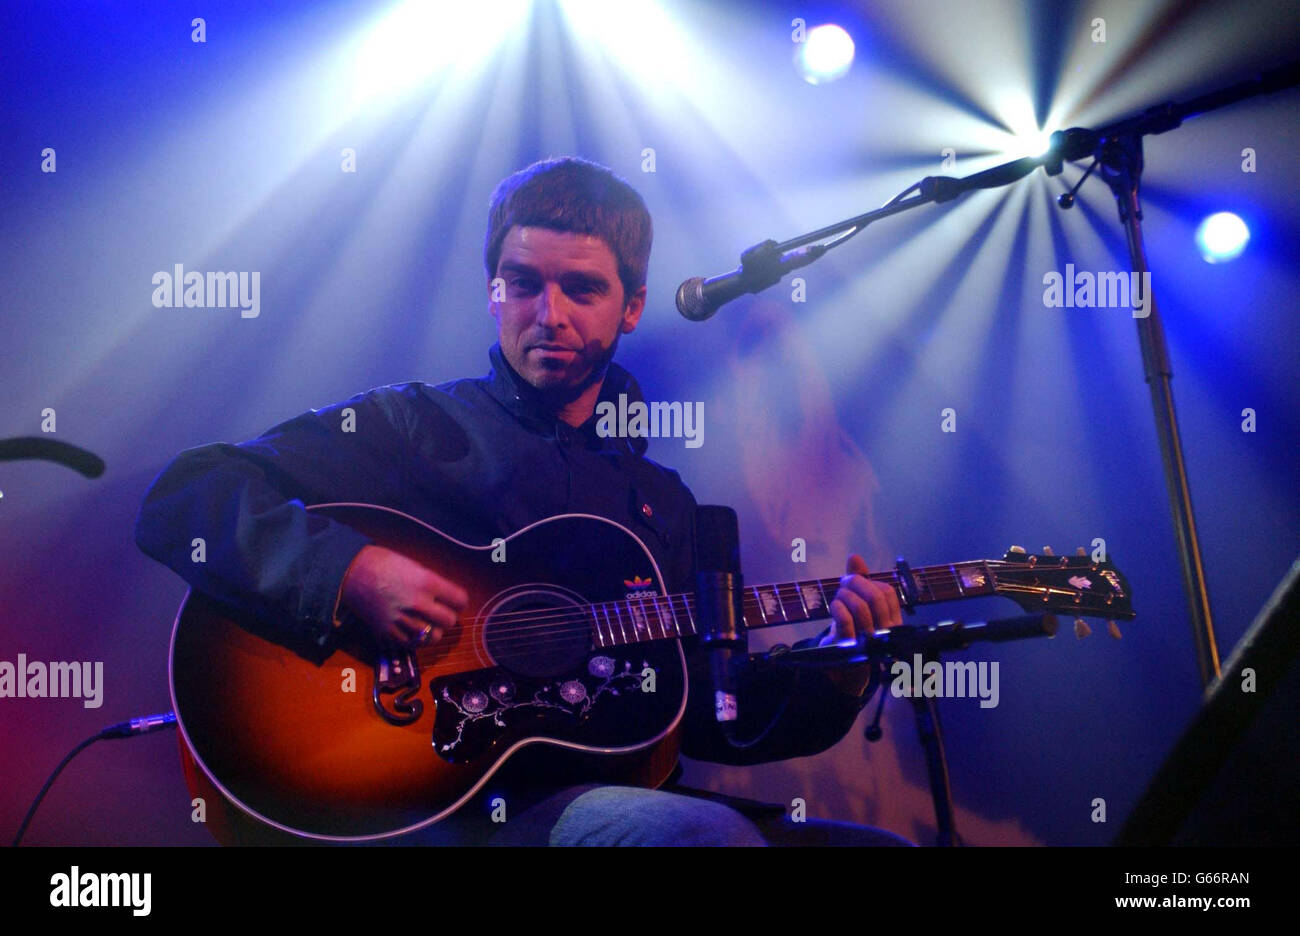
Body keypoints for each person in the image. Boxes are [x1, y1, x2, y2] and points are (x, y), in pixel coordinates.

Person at [135, 156, 911, 846]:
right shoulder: (414, 425)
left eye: (582, 288)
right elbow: (187, 494)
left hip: (607, 797)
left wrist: (840, 672)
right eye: (523, 284)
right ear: (492, 290)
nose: (550, 314)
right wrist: (348, 574)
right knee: (695, 833)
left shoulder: (666, 508)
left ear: (631, 307)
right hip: (444, 805)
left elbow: (717, 716)